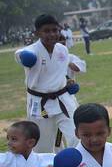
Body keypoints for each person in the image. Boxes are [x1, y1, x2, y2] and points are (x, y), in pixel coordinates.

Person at [14, 14, 84, 151]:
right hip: (40, 104)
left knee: (76, 136)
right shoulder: (32, 51)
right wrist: (23, 57)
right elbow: (20, 53)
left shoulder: (62, 49)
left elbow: (61, 71)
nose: (52, 34)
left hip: (63, 100)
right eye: (46, 31)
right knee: (42, 146)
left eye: (55, 30)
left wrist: (69, 82)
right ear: (37, 33)